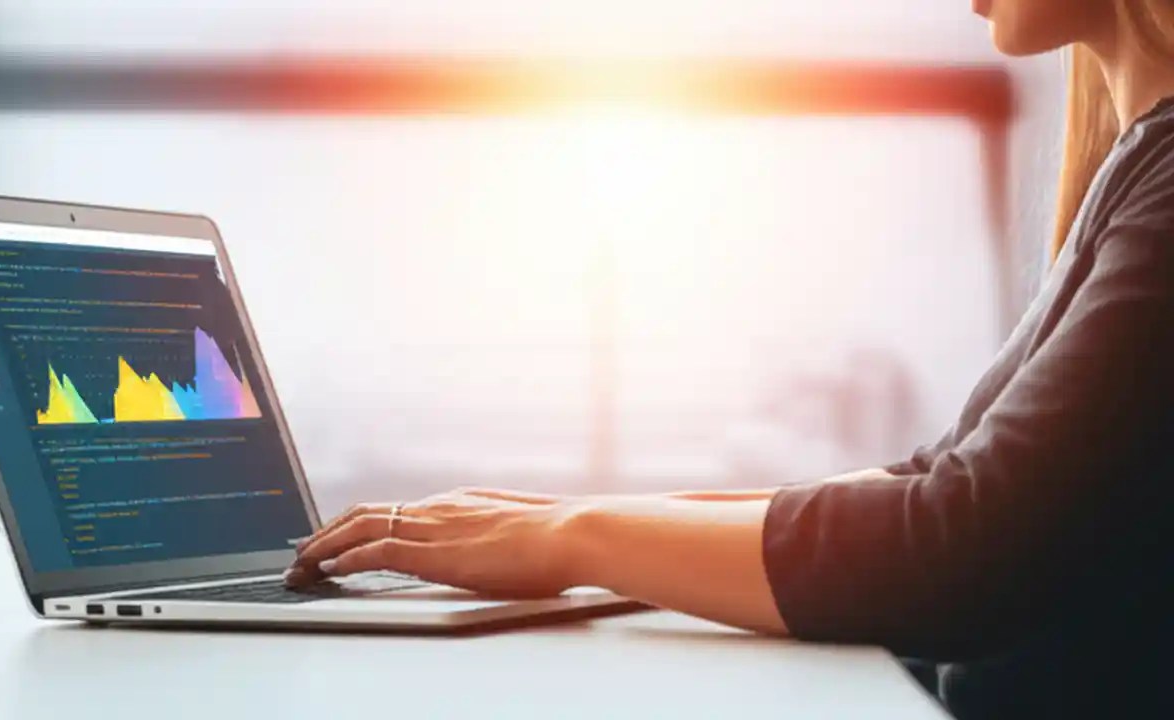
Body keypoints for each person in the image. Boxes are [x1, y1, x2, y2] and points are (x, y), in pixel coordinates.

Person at [286, 1, 1174, 716]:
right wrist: (565, 518)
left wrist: (570, 538)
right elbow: (930, 479)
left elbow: (962, 545)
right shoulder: (1137, 168)